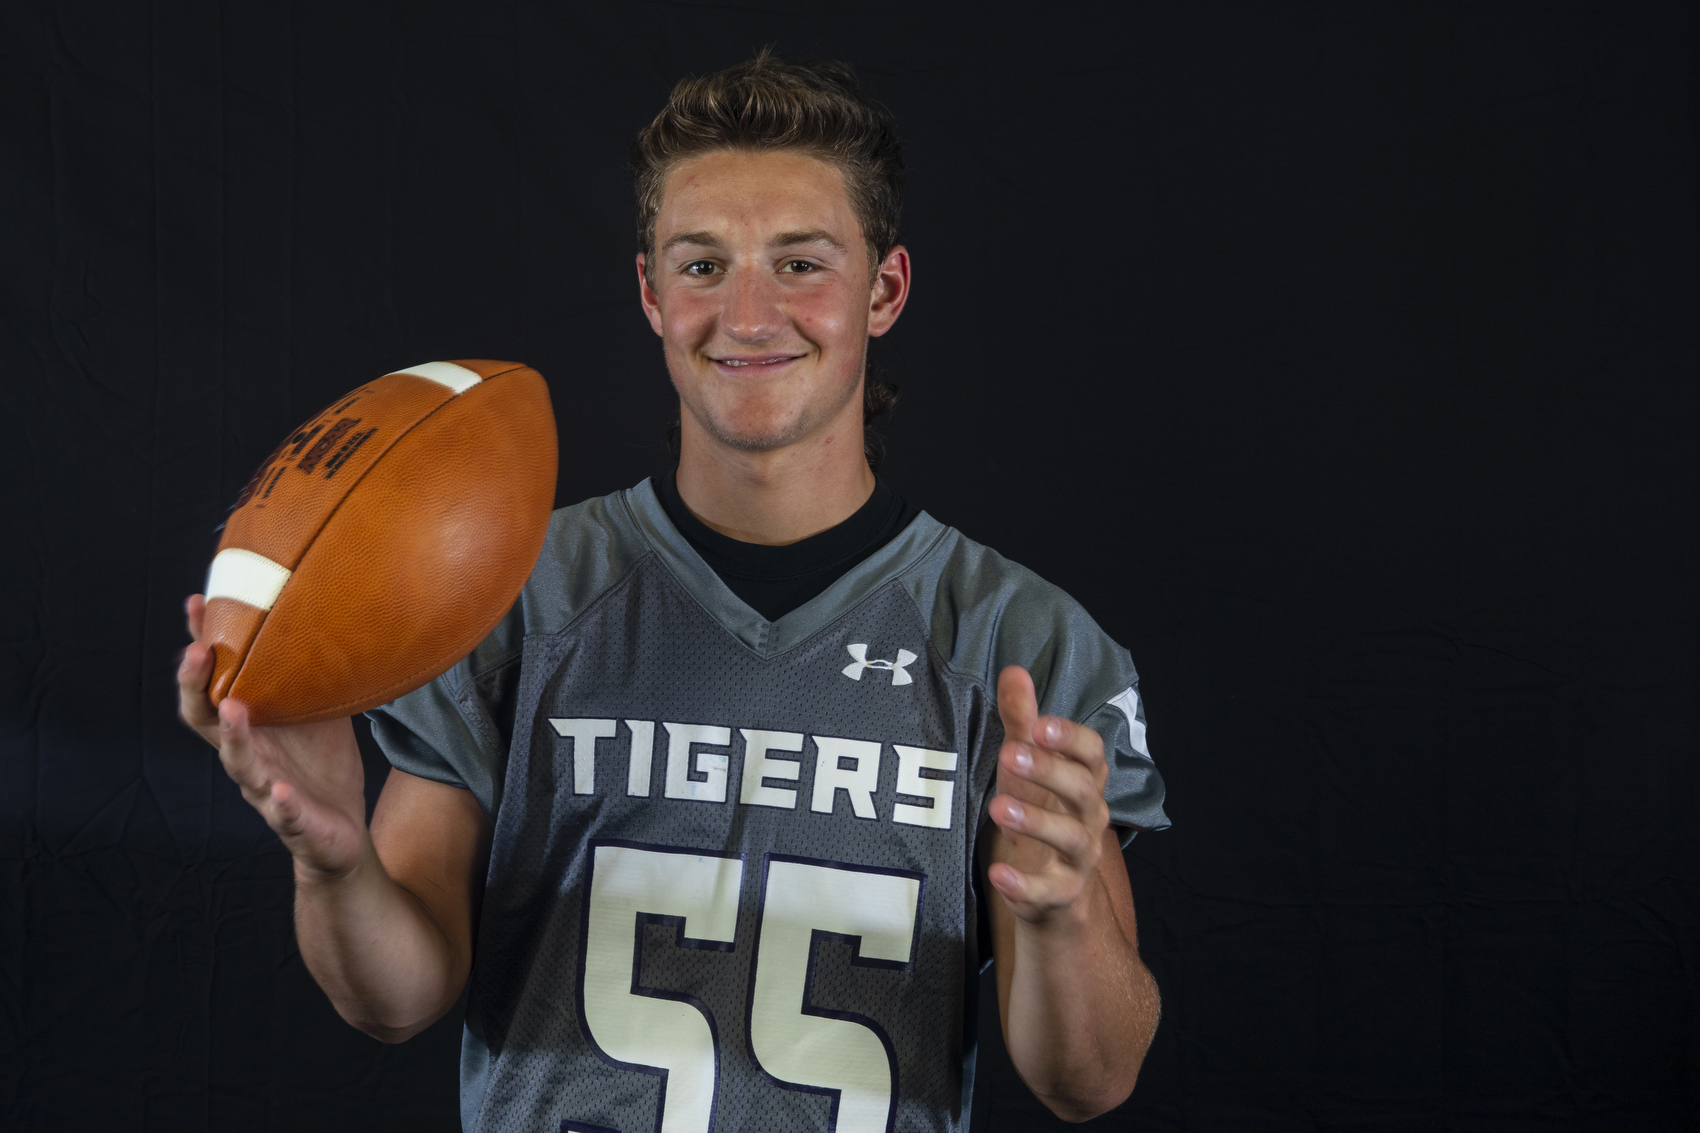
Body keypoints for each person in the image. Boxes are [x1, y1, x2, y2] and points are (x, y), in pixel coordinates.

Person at [178, 50, 1168, 1133]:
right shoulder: (513, 594)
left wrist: (1066, 914)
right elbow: (395, 996)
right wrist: (331, 859)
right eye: (702, 265)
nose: (746, 313)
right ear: (650, 290)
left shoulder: (1018, 644)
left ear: (882, 290)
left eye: (800, 264)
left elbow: (1091, 1077)